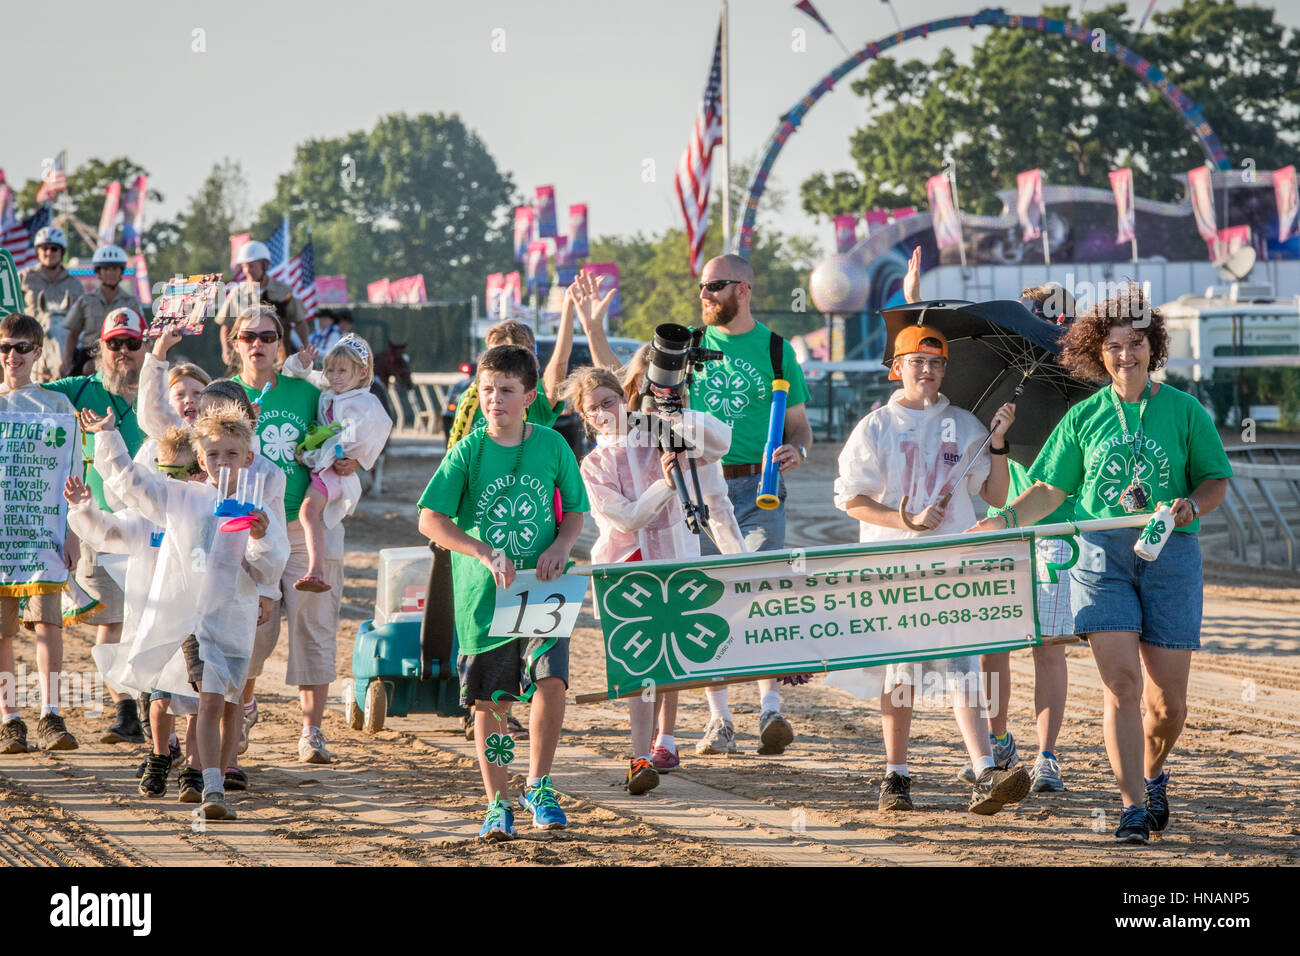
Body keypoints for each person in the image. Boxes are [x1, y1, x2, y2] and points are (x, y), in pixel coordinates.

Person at [967, 284, 1233, 844]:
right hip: (1100, 558)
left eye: (1135, 344)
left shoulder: (1184, 410)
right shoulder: (1085, 416)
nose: (1125, 355)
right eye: (1114, 346)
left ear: (1152, 348)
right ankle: (1133, 805)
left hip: (1170, 554)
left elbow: (1216, 480)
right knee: (1121, 682)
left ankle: (1156, 773)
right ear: (1099, 352)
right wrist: (1003, 521)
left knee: (1169, 704)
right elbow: (1046, 488)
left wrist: (1191, 503)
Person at [833, 324, 1032, 815]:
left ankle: (985, 771)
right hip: (896, 567)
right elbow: (851, 499)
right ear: (896, 368)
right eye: (916, 362)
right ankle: (895, 777)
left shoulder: (967, 425)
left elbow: (995, 496)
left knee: (964, 665)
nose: (927, 370)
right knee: (900, 671)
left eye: (936, 362)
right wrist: (906, 519)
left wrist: (1000, 442)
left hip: (954, 566)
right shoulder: (875, 426)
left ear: (946, 369)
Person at [898, 275, 1080, 792]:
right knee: (990, 644)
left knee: (1048, 645)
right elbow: (917, 351)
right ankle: (998, 743)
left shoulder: (1078, 396)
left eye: (1045, 317)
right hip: (997, 529)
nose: (1034, 321)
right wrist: (998, 439)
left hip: (1056, 532)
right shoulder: (997, 379)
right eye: (1027, 313)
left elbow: (1065, 482)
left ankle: (1047, 755)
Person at [79, 403, 287, 820]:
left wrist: (261, 537)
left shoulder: (256, 506)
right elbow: (134, 483)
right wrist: (108, 437)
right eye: (212, 454)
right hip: (195, 620)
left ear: (248, 458)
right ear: (200, 459)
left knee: (229, 704)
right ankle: (211, 788)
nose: (221, 462)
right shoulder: (181, 498)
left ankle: (220, 772)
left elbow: (269, 566)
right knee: (209, 701)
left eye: (231, 454)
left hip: (236, 619)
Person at [417, 345, 588, 841]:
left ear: (529, 397)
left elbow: (574, 510)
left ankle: (538, 782)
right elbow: (430, 518)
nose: (495, 400)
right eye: (487, 390)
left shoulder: (553, 445)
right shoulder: (467, 451)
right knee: (493, 703)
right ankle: (498, 801)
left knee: (550, 681)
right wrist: (480, 550)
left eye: (506, 391)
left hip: (544, 588)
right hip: (485, 599)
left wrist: (561, 544)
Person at [563, 362, 746, 791]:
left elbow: (720, 444)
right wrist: (665, 484)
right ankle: (640, 754)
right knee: (640, 661)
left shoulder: (657, 432)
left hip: (674, 555)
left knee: (673, 655)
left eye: (609, 401)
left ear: (623, 399)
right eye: (593, 408)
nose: (603, 412)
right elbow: (625, 519)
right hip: (626, 565)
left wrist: (678, 412)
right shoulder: (591, 464)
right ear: (585, 416)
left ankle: (667, 740)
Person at [685, 254, 814, 756]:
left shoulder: (778, 350)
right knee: (706, 598)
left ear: (743, 289)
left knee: (760, 589)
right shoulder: (689, 348)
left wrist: (796, 449)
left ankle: (770, 708)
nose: (705, 295)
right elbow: (636, 394)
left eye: (714, 286)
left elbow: (799, 425)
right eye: (701, 286)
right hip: (699, 489)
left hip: (761, 490)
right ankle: (719, 721)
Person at [231, 306, 351, 763]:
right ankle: (241, 707)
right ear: (235, 344)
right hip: (247, 529)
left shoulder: (309, 392)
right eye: (248, 336)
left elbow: (346, 429)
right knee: (250, 631)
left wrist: (350, 460)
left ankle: (312, 731)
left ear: (280, 343)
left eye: (267, 335)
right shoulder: (225, 396)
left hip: (306, 528)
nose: (257, 343)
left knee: (314, 623)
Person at [70, 424, 207, 796]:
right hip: (156, 621)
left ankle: (193, 769)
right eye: (163, 474)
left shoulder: (204, 512)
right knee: (159, 700)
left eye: (180, 473)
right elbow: (108, 532)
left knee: (197, 699)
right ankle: (161, 754)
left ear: (198, 472)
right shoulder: (145, 519)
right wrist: (85, 508)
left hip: (195, 622)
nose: (171, 483)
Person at [46, 305, 150, 743]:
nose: (123, 351)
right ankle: (126, 707)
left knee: (154, 616)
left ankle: (153, 702)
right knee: (112, 620)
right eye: (114, 344)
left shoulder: (159, 391)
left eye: (132, 343)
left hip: (153, 524)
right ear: (99, 348)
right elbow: (23, 399)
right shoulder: (77, 389)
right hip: (97, 524)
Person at [0, 313, 81, 753]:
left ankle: (51, 713)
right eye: (5, 348)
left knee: (48, 622)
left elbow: (71, 471)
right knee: (1, 631)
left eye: (22, 348)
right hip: (1, 534)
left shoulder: (56, 406)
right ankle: (10, 718)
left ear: (38, 352)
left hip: (42, 531)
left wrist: (73, 531)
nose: (13, 356)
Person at [282, 335, 392, 592]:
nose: (335, 375)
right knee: (311, 515)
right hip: (324, 466)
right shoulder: (331, 390)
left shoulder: (364, 403)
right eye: (331, 369)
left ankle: (315, 570)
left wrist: (313, 457)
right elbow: (300, 375)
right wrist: (302, 363)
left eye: (343, 370)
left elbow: (352, 440)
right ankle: (316, 568)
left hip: (333, 470)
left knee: (308, 512)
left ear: (361, 372)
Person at [215, 241, 308, 367]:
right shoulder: (237, 292)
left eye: (251, 266)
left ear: (265, 265)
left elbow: (300, 321)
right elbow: (225, 325)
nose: (247, 270)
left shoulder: (284, 291)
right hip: (246, 354)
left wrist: (305, 348)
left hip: (279, 351)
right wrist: (226, 349)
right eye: (244, 266)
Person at [61, 245, 142, 378]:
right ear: (98, 272)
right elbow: (73, 335)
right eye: (105, 269)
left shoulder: (131, 303)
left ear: (121, 271)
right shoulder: (85, 300)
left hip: (121, 352)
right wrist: (66, 360)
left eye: (114, 268)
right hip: (89, 354)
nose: (110, 273)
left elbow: (139, 334)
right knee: (73, 383)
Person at [20, 226, 83, 382]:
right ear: (37, 251)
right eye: (44, 248)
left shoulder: (75, 284)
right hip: (28, 341)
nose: (49, 252)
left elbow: (82, 317)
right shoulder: (23, 278)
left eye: (54, 248)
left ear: (61, 252)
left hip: (64, 342)